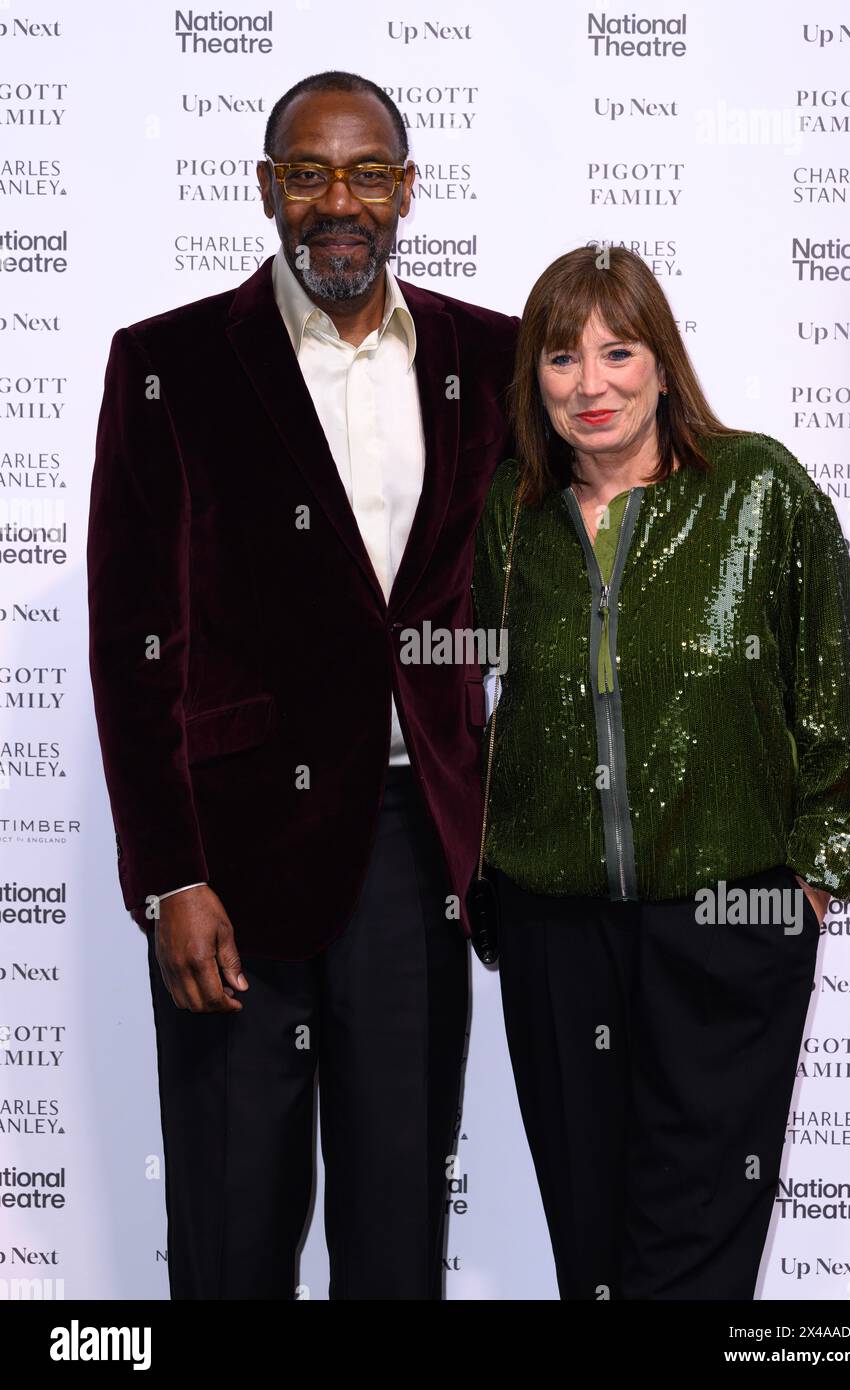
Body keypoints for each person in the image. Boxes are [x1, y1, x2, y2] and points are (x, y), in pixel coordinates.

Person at [87, 70, 518, 1300]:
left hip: (415, 855)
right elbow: (132, 638)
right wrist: (169, 872)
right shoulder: (169, 363)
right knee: (230, 1232)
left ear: (407, 192)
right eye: (312, 172)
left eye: (368, 172)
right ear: (269, 189)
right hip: (230, 859)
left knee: (396, 1243)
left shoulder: (487, 358)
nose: (342, 200)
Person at [471, 244, 850, 1301]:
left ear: (662, 361)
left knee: (696, 1243)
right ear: (536, 378)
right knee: (592, 1247)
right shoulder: (511, 515)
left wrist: (814, 873)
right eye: (562, 358)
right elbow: (465, 701)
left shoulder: (758, 489)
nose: (591, 384)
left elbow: (834, 694)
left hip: (727, 922)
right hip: (556, 926)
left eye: (618, 351)